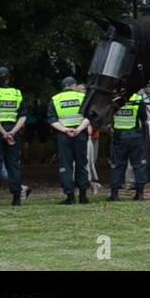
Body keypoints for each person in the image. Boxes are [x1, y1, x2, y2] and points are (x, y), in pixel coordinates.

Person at [0, 67, 27, 206]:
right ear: (8, 78)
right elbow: (23, 116)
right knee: (14, 165)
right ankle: (16, 198)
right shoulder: (17, 93)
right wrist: (13, 132)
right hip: (13, 131)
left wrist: (3, 133)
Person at [49, 76, 91, 204]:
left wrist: (65, 130)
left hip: (63, 136)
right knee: (81, 163)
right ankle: (83, 195)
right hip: (80, 134)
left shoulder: (55, 99)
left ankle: (70, 196)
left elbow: (52, 120)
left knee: (65, 165)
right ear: (74, 86)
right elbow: (90, 116)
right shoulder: (83, 97)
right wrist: (78, 129)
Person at [108, 92, 147, 201]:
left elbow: (108, 115)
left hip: (119, 136)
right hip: (135, 135)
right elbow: (144, 117)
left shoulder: (113, 97)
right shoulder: (138, 98)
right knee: (138, 165)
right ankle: (140, 194)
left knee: (117, 165)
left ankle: (114, 194)